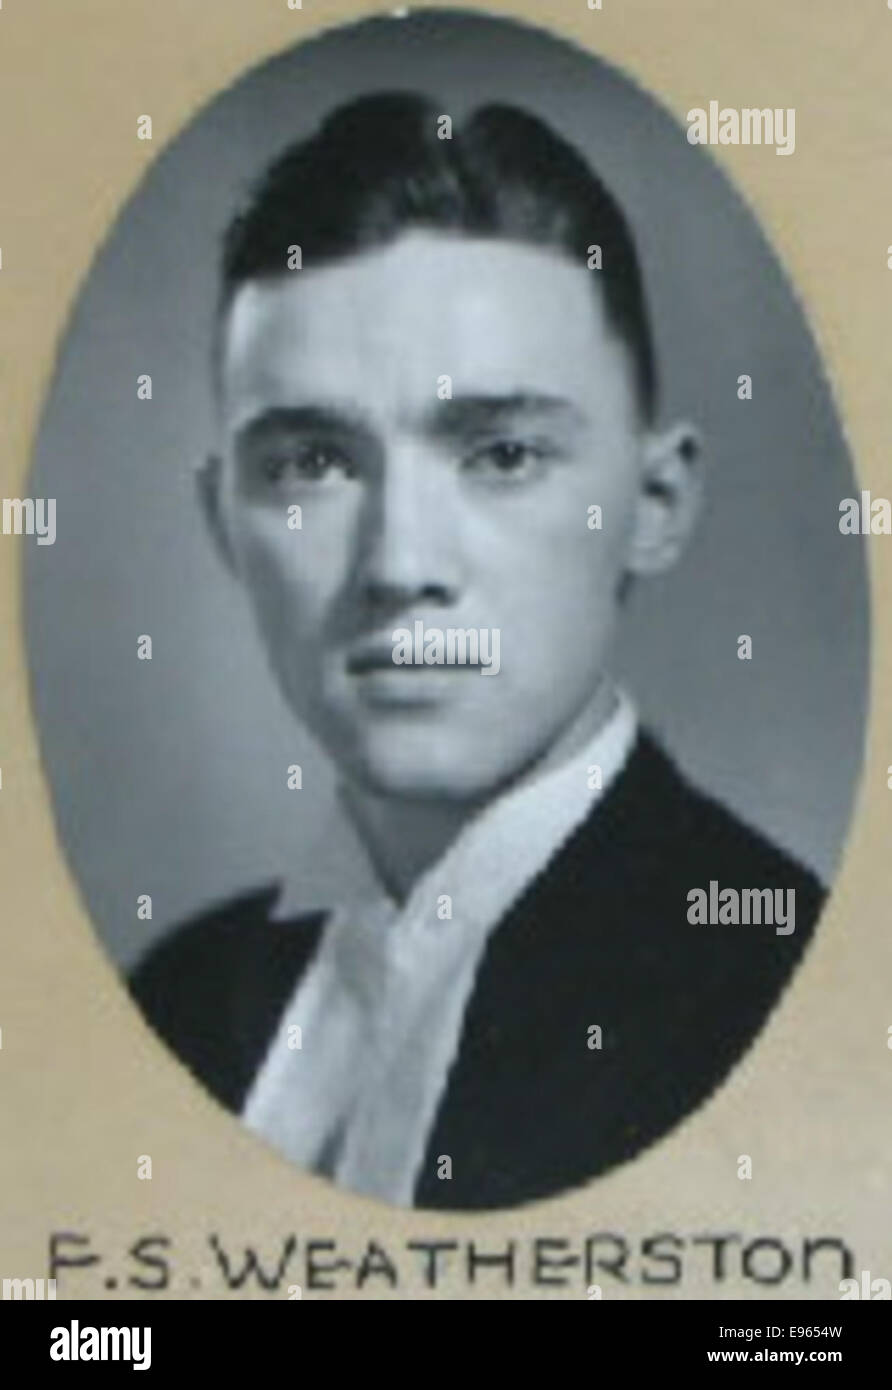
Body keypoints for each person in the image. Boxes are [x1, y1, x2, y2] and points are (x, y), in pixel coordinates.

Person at [129, 91, 823, 1211]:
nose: (398, 561)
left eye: (501, 452)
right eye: (310, 462)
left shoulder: (790, 998)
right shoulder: (184, 995)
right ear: (224, 526)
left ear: (654, 503)